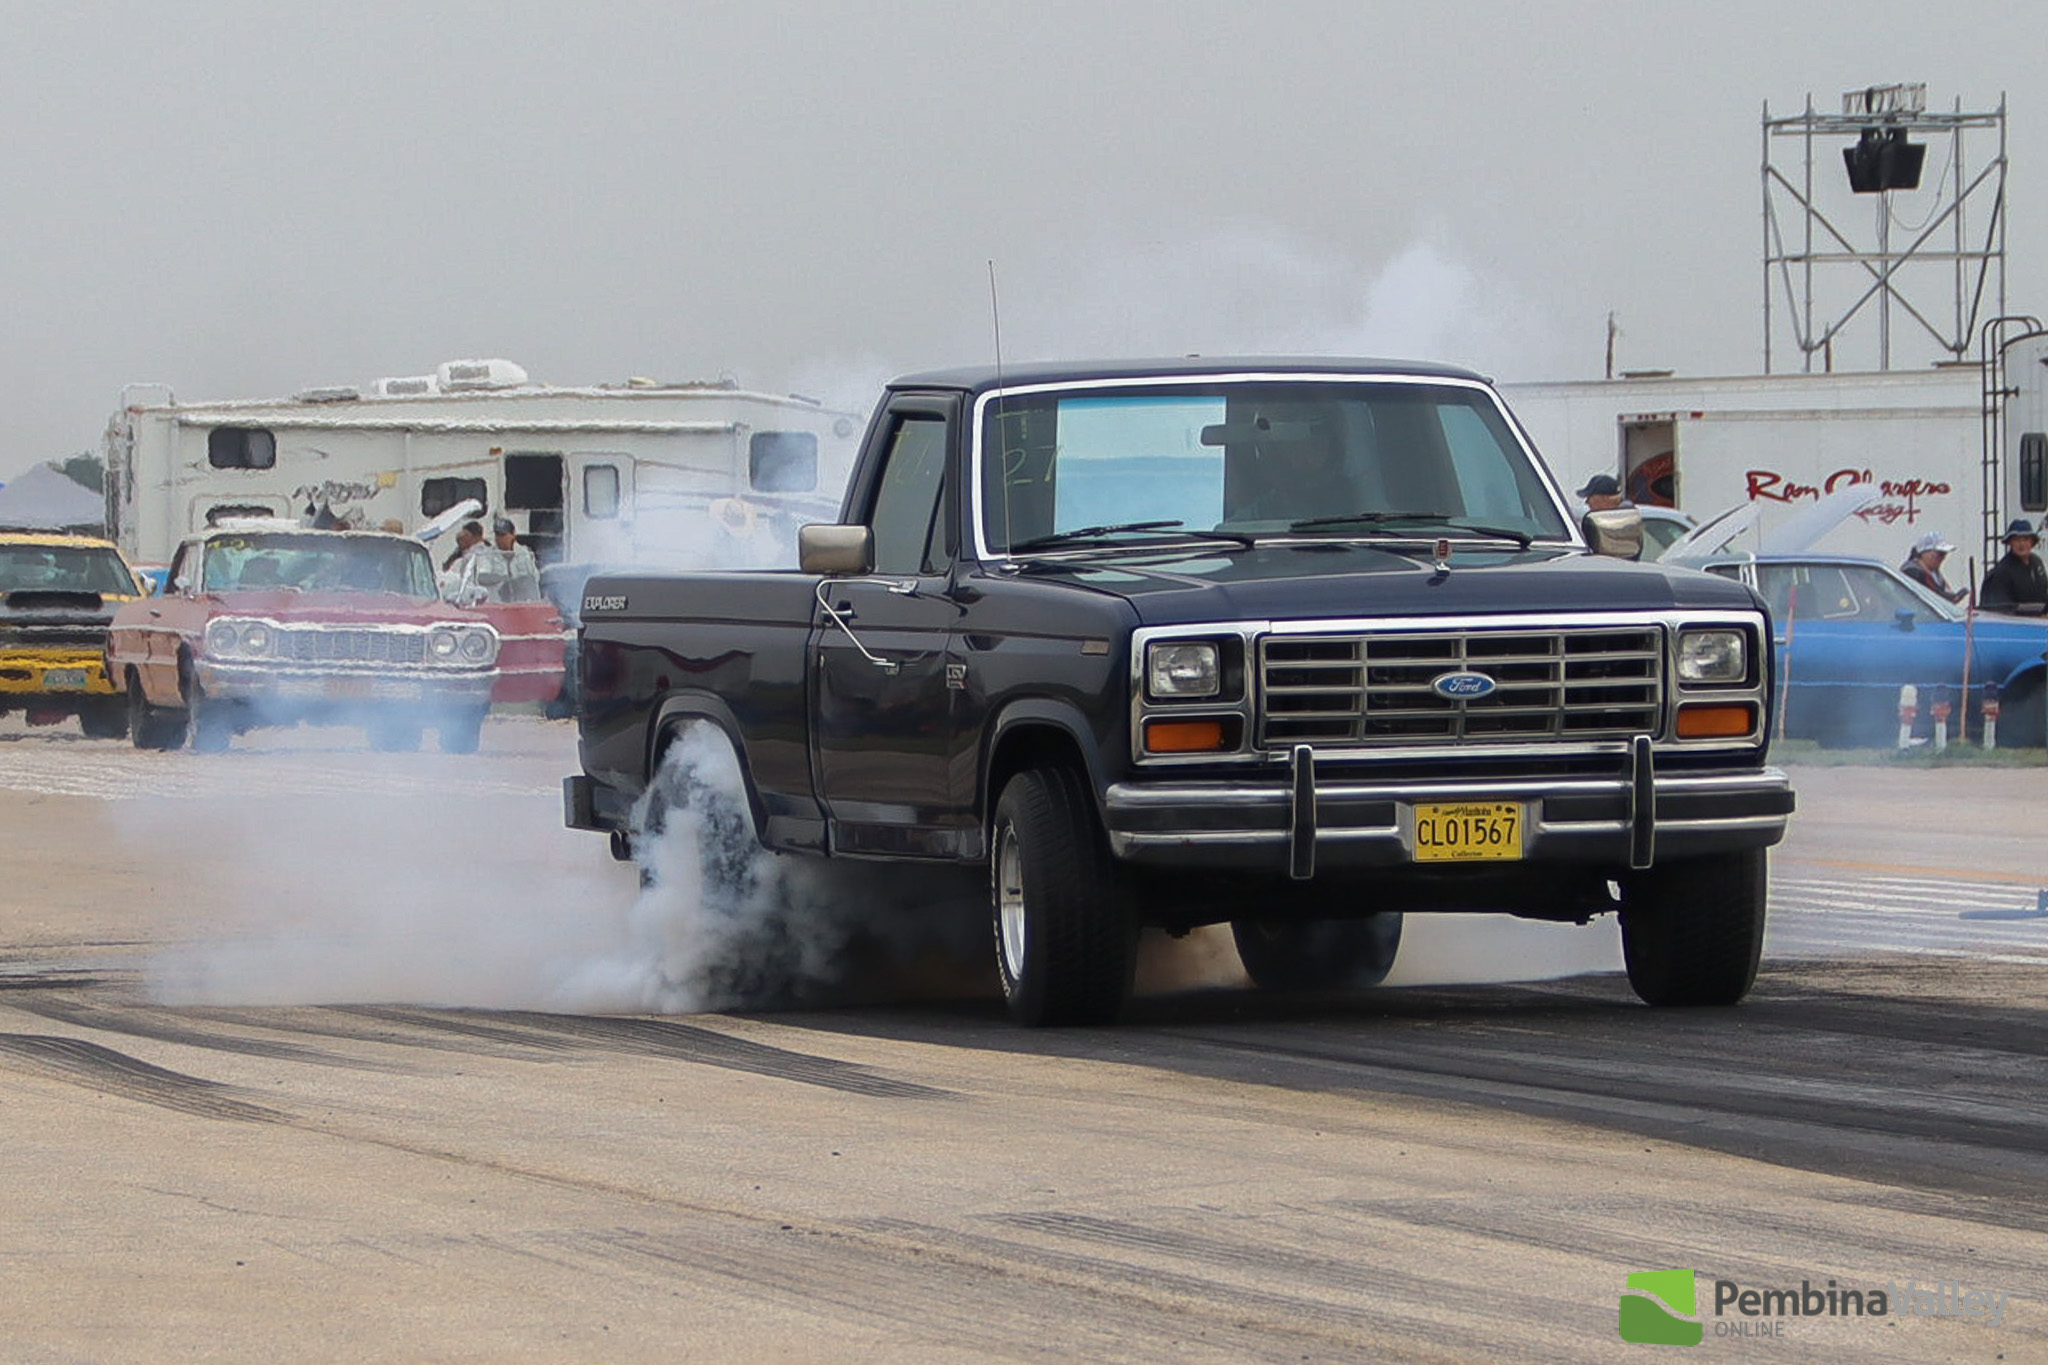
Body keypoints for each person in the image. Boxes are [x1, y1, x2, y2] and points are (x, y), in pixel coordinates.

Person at [1980, 518, 2048, 615]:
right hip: (2016, 624)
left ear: (2032, 542)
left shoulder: (2037, 563)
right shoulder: (2002, 571)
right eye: (2017, 540)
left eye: (2026, 539)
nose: (2022, 544)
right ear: (2009, 542)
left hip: (2039, 623)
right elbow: (1999, 611)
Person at [1575, 472, 1639, 558]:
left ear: (1604, 498)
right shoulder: (1630, 519)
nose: (1587, 502)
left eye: (1590, 497)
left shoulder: (1619, 524)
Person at [1899, 531, 1967, 603]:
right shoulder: (1912, 572)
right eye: (1940, 554)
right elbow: (1931, 596)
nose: (1943, 558)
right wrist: (1952, 598)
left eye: (1945, 554)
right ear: (1925, 553)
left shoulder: (1935, 573)